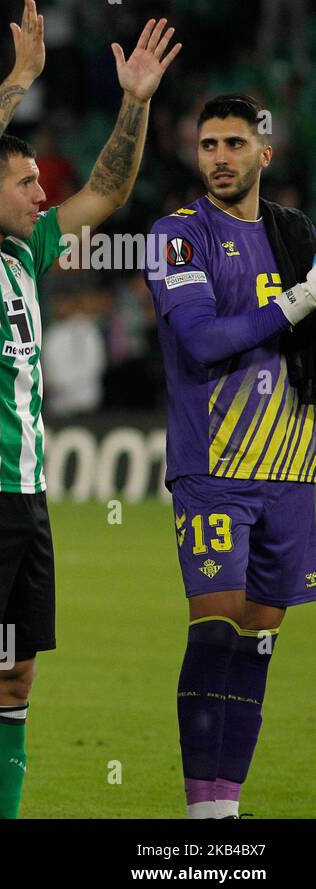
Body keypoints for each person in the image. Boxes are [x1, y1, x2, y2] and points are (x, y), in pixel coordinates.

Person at [0, 0, 179, 819]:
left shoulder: (30, 251)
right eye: (26, 185)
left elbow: (108, 190)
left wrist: (136, 101)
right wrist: (21, 78)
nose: (42, 196)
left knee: (12, 673)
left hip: (25, 498)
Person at [145, 93, 316, 818]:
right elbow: (202, 339)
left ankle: (226, 809)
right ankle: (198, 814)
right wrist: (299, 302)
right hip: (214, 463)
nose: (219, 157)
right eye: (208, 144)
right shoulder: (176, 235)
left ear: (263, 155)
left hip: (295, 467)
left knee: (258, 646)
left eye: (234, 144)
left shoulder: (295, 233)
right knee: (214, 628)